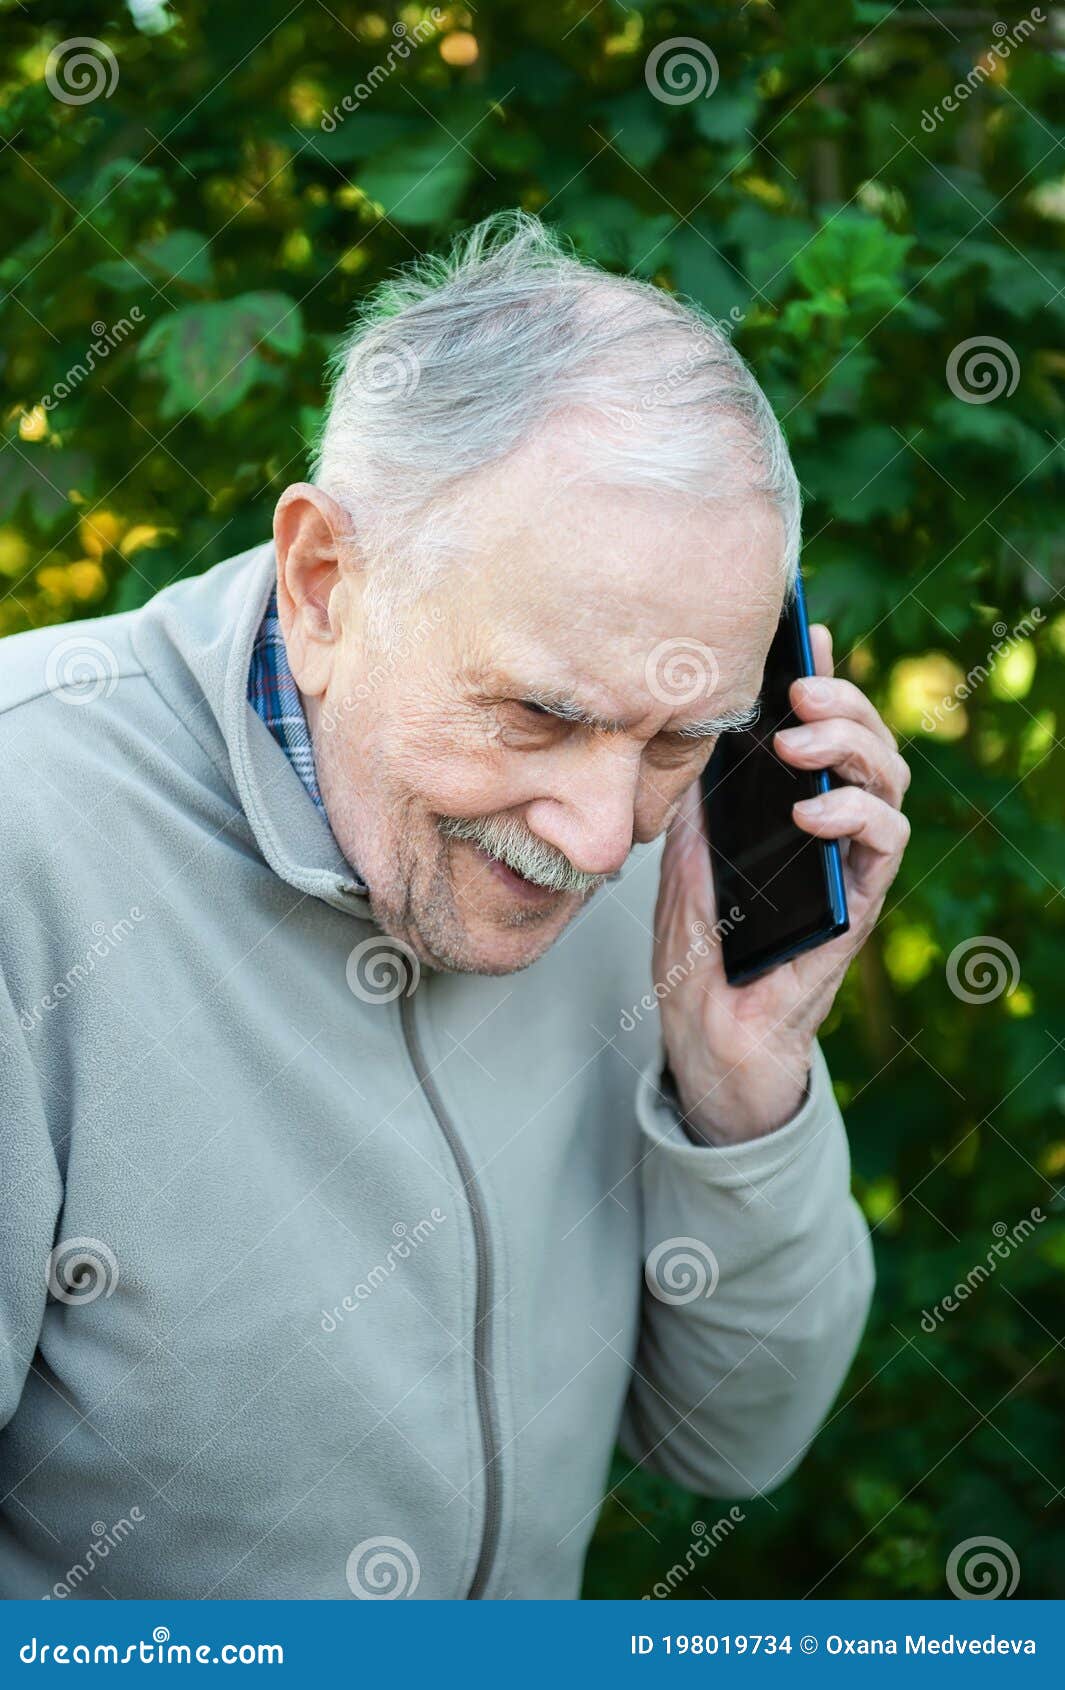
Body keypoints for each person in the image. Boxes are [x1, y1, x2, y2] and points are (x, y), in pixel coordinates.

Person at [0, 213, 908, 1600]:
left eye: (679, 740)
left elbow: (731, 1439)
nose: (602, 835)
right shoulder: (28, 838)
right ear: (324, 584)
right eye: (540, 714)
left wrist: (742, 1083)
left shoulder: (660, 881)